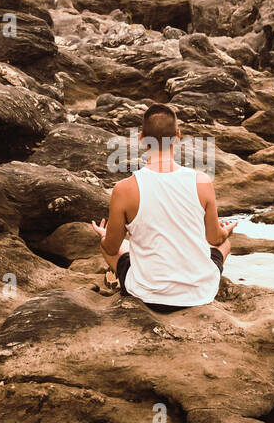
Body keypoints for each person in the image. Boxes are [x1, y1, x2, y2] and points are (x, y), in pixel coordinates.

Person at [92, 104, 236, 310]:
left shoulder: (124, 189)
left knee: (114, 247)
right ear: (177, 136)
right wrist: (225, 232)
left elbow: (111, 248)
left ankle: (119, 280)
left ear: (142, 138)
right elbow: (214, 239)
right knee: (225, 245)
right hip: (199, 293)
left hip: (148, 295)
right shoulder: (202, 181)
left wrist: (104, 235)